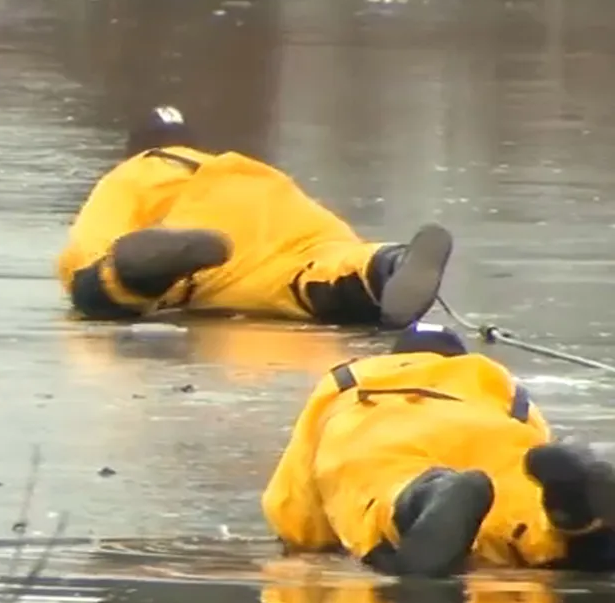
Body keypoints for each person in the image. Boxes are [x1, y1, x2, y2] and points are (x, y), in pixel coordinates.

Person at [261, 322, 615, 577]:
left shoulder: (350, 377)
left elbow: (295, 502)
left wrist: (304, 537)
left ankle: (423, 497)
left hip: (380, 416)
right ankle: (573, 522)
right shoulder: (493, 379)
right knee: (519, 497)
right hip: (484, 424)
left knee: (387, 484)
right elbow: (538, 448)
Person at [55, 105, 454, 329]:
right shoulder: (230, 165)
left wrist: (98, 274)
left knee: (98, 279)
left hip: (199, 225)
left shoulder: (138, 171)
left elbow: (88, 244)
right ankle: (386, 266)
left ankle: (141, 271)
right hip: (273, 205)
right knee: (322, 270)